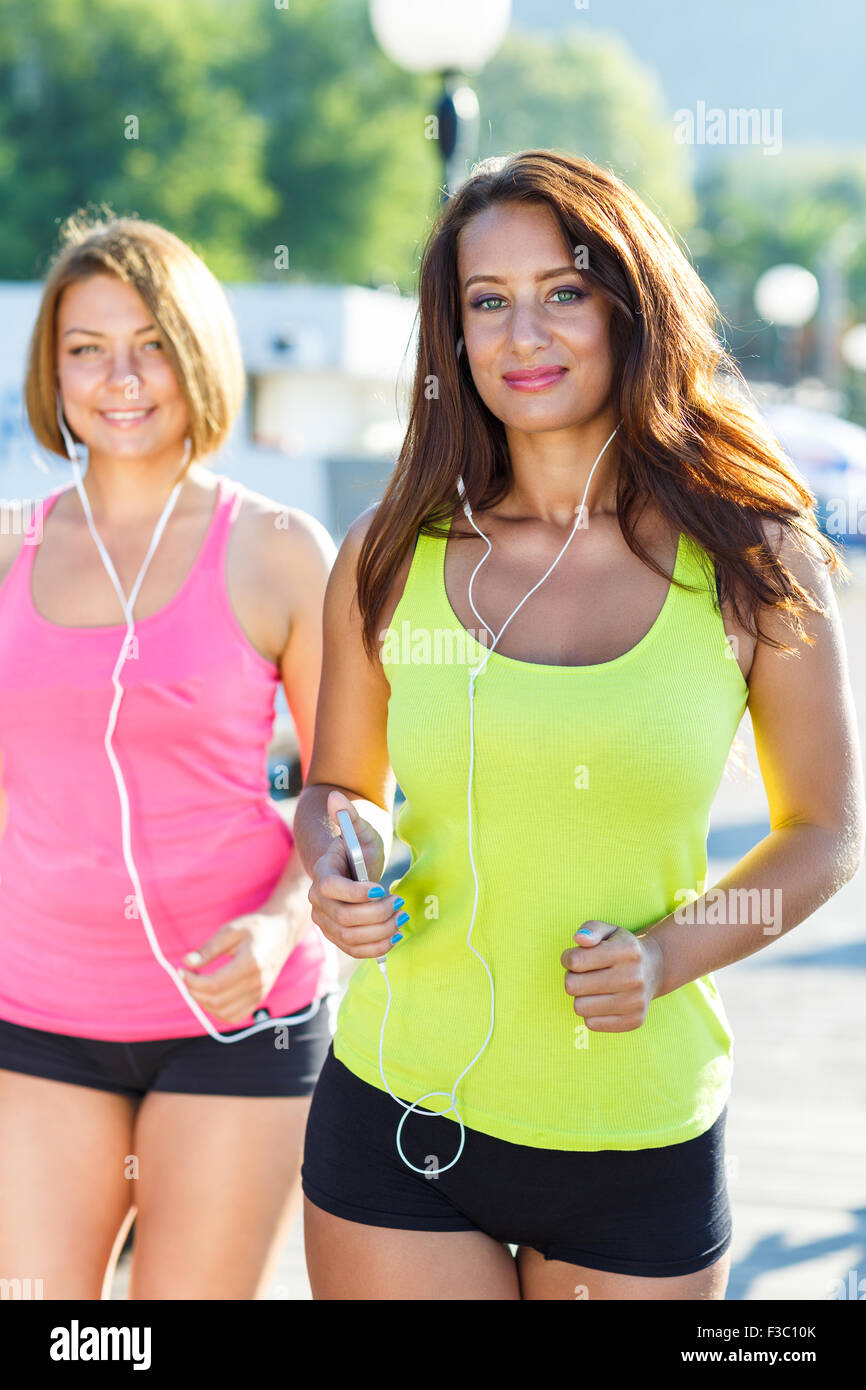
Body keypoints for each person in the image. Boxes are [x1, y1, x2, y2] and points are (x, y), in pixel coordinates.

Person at [293, 151, 865, 1301]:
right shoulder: (388, 550)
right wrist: (336, 861)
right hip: (398, 1111)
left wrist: (668, 955)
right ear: (451, 334)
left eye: (562, 289)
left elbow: (823, 831)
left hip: (634, 1131)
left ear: (627, 304)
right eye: (486, 301)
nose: (522, 334)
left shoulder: (754, 560)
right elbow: (334, 786)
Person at [0, 213, 338, 1299]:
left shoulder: (278, 549)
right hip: (39, 1008)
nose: (120, 377)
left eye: (150, 341)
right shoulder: (7, 546)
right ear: (52, 370)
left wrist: (283, 917)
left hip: (237, 1016)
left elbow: (352, 787)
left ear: (199, 354)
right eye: (85, 348)